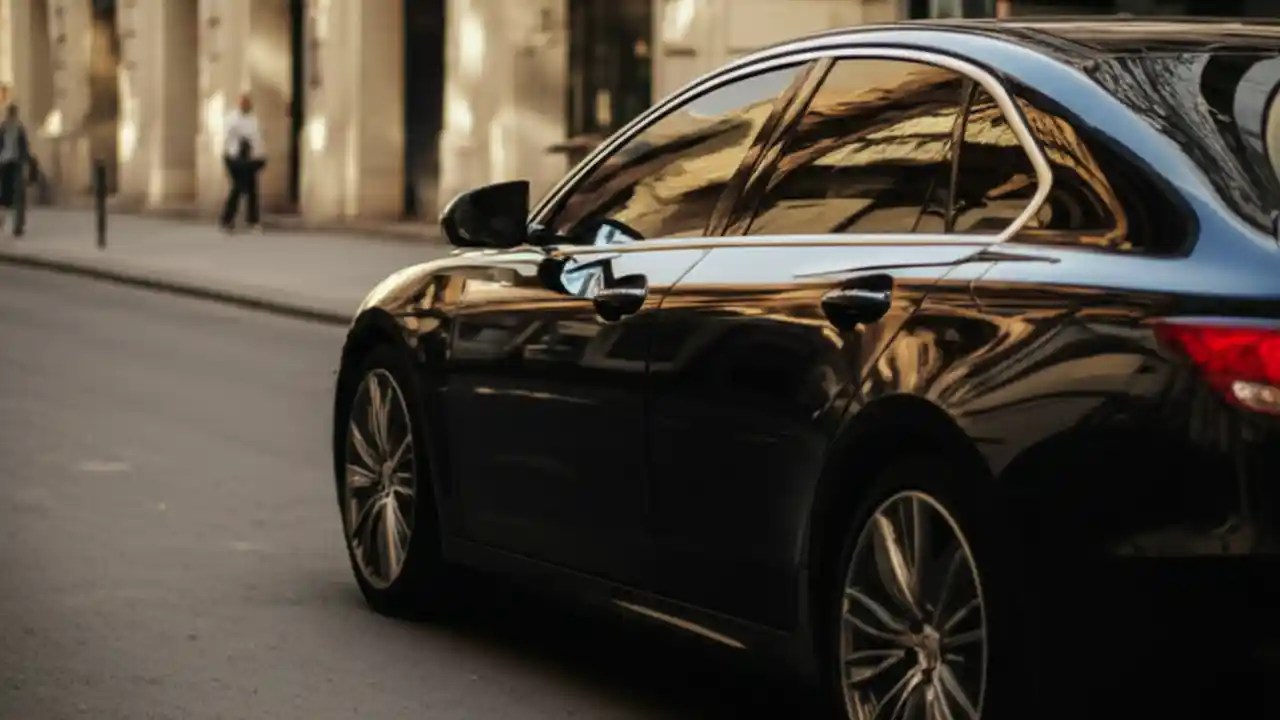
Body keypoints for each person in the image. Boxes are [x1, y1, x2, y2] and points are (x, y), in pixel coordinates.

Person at [220, 94, 266, 233]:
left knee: (252, 189)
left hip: (249, 158)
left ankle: (253, 220)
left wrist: (260, 156)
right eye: (243, 103)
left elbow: (257, 139)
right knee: (237, 188)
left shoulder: (253, 120)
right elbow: (231, 136)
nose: (246, 105)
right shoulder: (232, 118)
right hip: (234, 157)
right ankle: (227, 219)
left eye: (248, 103)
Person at [0, 103, 30, 236]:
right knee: (12, 197)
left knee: (14, 197)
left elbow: (24, 148)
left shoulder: (13, 128)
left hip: (10, 164)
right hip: (7, 164)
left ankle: (17, 226)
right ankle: (16, 226)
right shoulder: (9, 128)